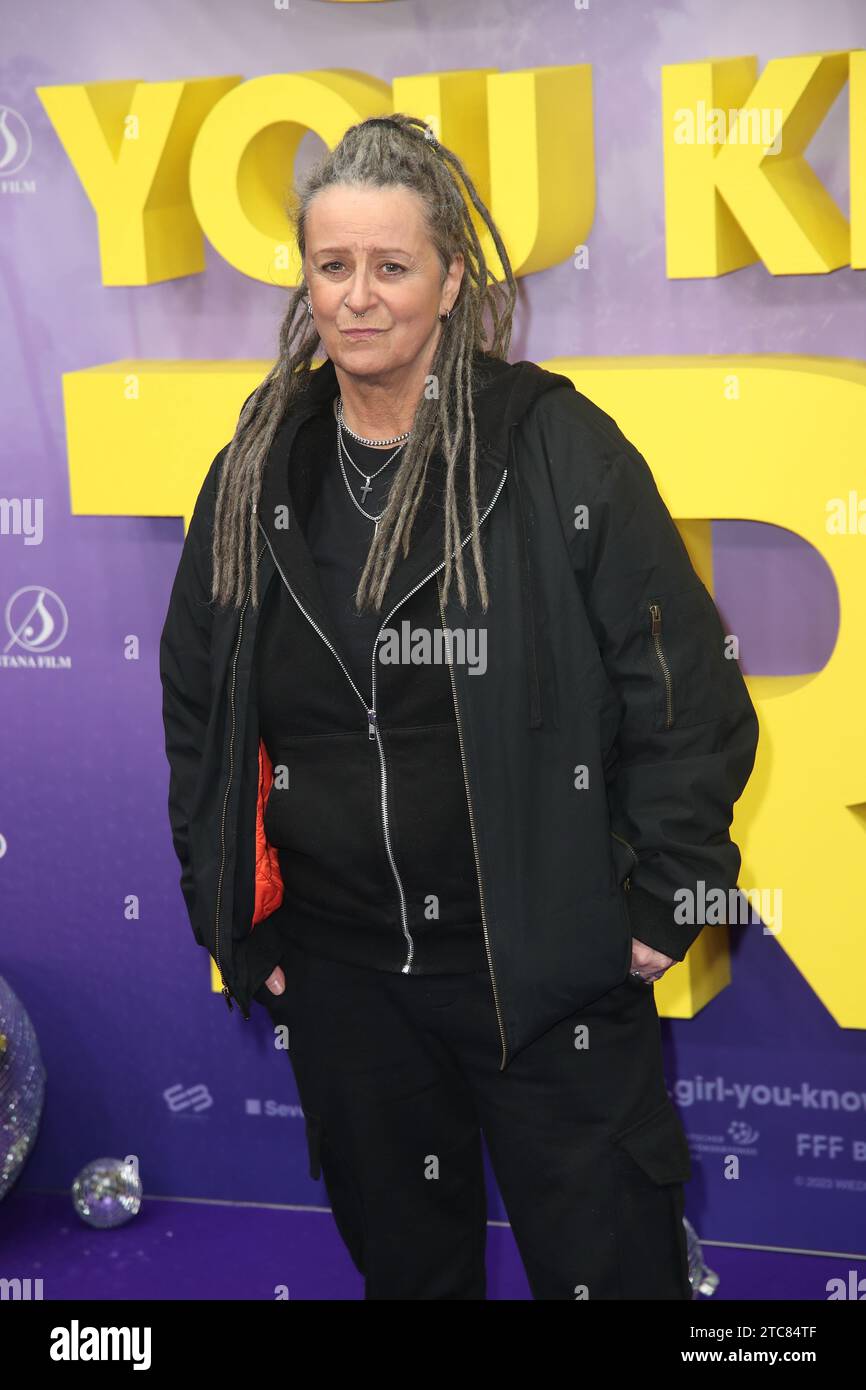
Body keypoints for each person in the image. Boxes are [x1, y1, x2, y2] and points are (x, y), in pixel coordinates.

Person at [159, 113, 759, 1300]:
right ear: (306, 279)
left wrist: (659, 898)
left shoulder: (554, 448)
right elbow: (197, 707)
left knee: (613, 1277)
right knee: (411, 1282)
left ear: (448, 281)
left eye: (391, 266)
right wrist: (234, 914)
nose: (358, 297)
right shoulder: (252, 474)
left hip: (542, 974)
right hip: (346, 988)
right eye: (333, 266)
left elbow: (683, 688)